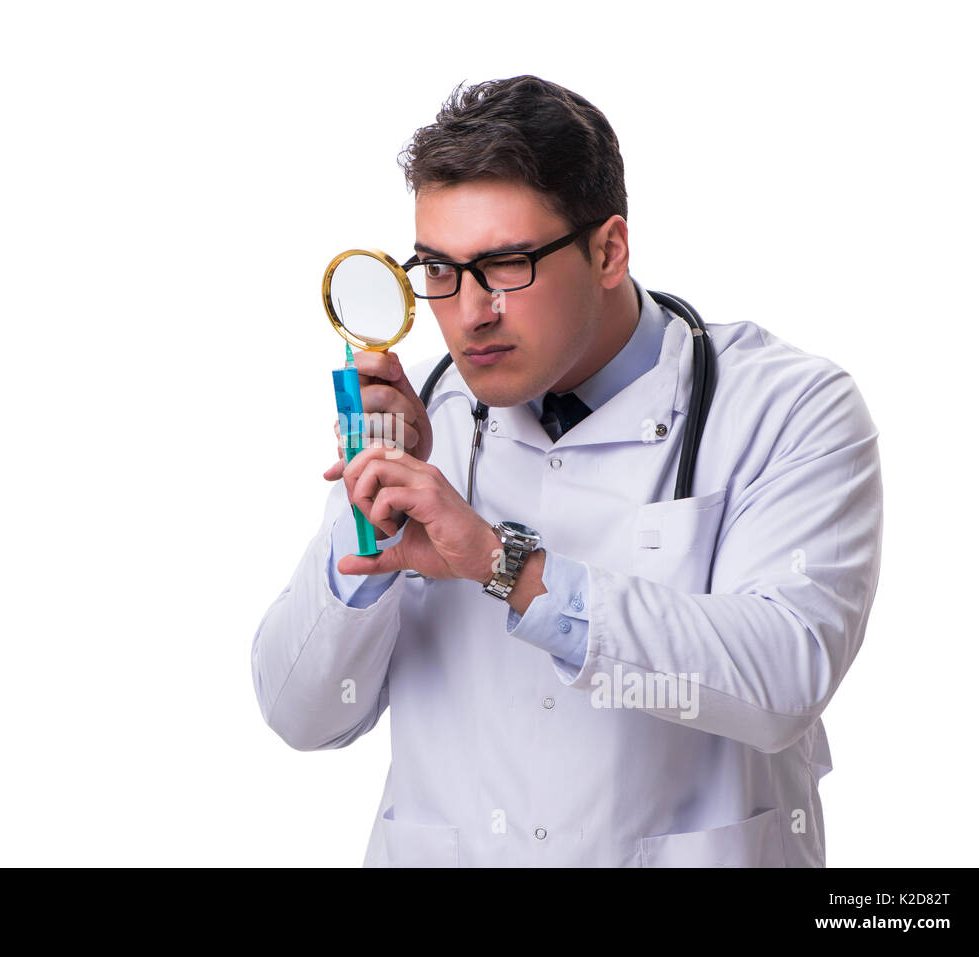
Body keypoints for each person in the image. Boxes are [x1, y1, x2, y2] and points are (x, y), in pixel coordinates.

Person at [250, 75, 882, 867]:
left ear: (609, 250)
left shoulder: (787, 407)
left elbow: (786, 674)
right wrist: (365, 529)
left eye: (506, 264)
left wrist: (505, 565)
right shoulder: (421, 423)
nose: (469, 311)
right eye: (439, 270)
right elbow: (300, 713)